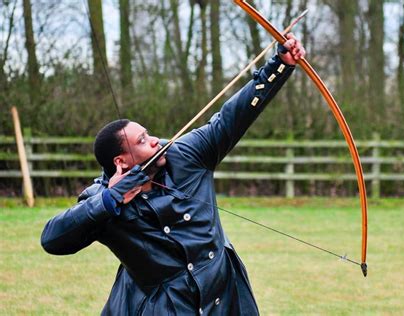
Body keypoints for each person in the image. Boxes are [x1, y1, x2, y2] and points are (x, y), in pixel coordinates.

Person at [41, 34, 305, 315]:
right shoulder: (103, 200)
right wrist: (109, 201)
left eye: (148, 134)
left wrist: (280, 65)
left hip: (223, 293)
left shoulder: (186, 154)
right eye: (142, 141)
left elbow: (234, 116)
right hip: (163, 306)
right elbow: (52, 240)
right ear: (121, 161)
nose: (155, 140)